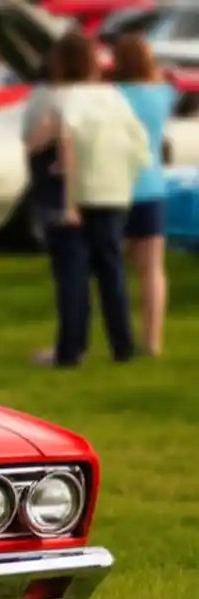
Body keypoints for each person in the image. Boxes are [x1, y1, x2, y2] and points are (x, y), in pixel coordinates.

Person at [27, 31, 150, 367]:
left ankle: (70, 351)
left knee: (73, 276)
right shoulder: (114, 98)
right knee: (112, 272)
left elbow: (51, 141)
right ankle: (122, 346)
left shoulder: (61, 98)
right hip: (113, 193)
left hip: (75, 197)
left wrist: (38, 149)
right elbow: (139, 144)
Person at [114, 33, 174, 357]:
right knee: (152, 269)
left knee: (116, 268)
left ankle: (121, 335)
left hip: (118, 188)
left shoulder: (114, 96)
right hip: (152, 187)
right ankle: (153, 340)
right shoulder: (163, 94)